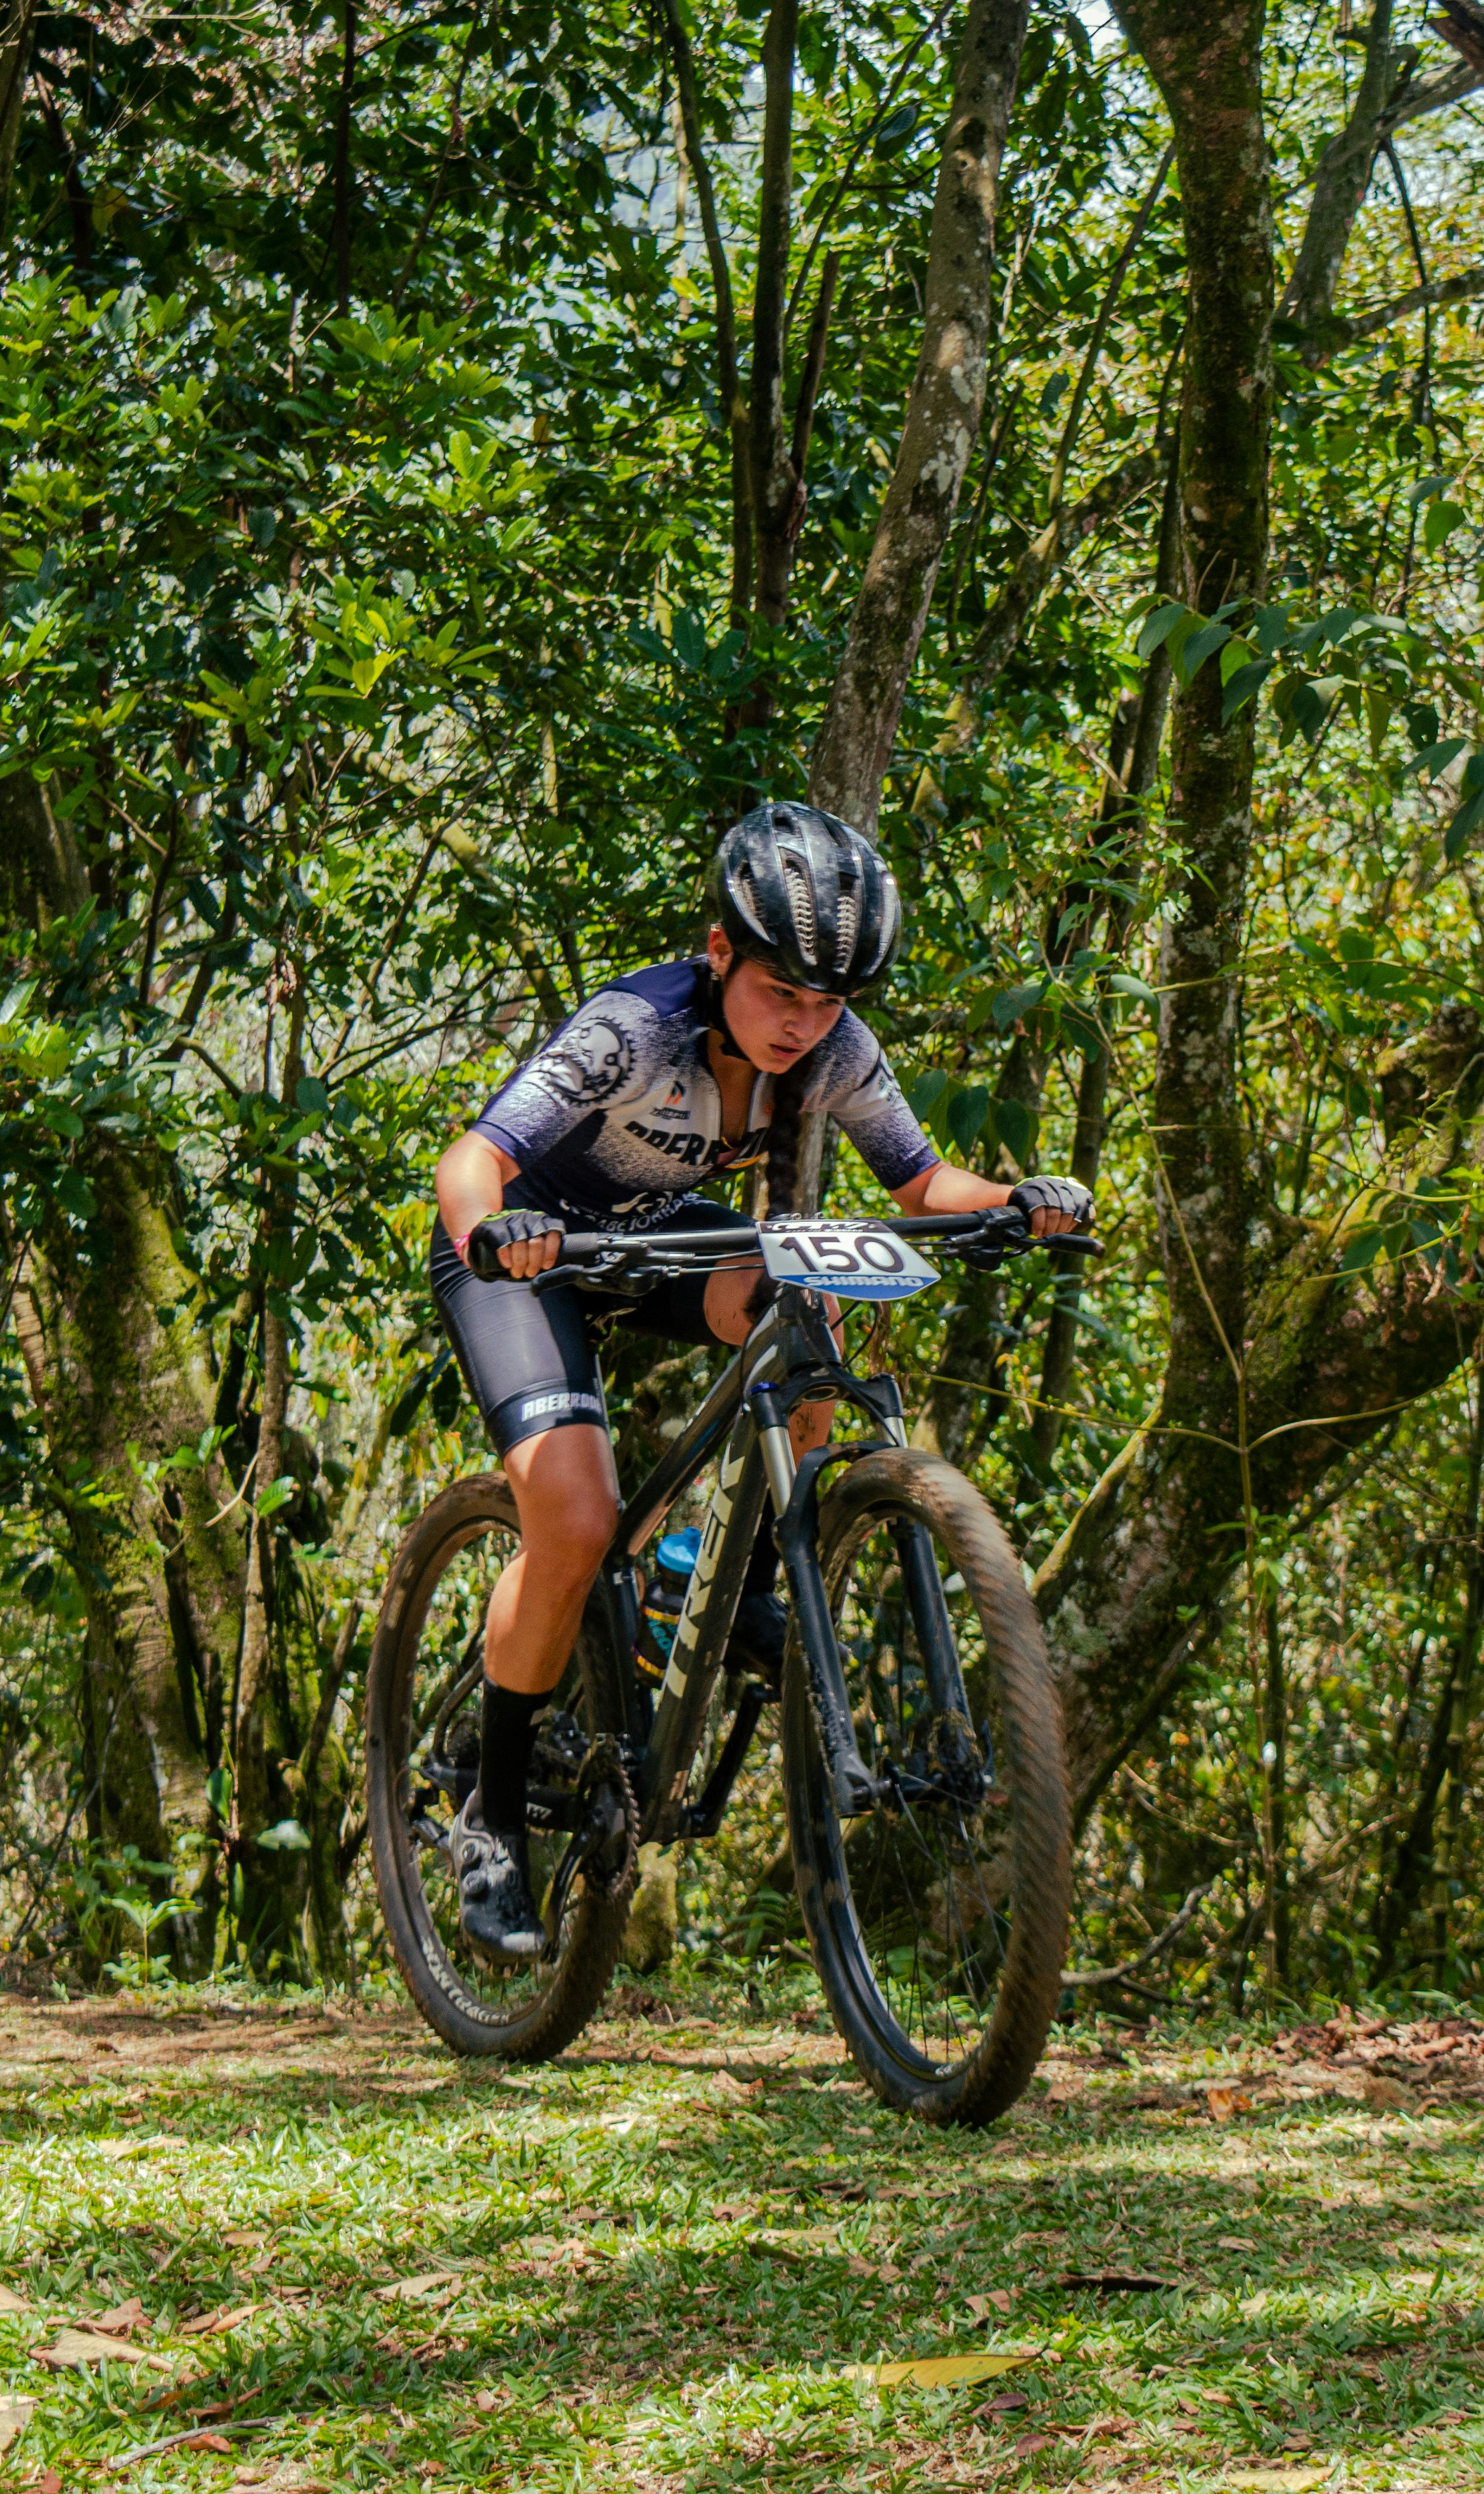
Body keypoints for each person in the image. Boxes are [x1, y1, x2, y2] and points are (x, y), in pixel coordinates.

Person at [430, 799, 1093, 1963]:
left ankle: (716, 1574)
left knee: (808, 1301)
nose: (803, 1025)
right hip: (526, 1251)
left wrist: (1019, 1201)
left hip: (653, 1237)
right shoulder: (633, 1029)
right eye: (780, 993)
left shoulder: (833, 1049)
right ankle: (488, 1816)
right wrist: (495, 1234)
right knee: (575, 1521)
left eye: (827, 1001)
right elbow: (474, 1159)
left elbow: (923, 1182)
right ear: (720, 954)